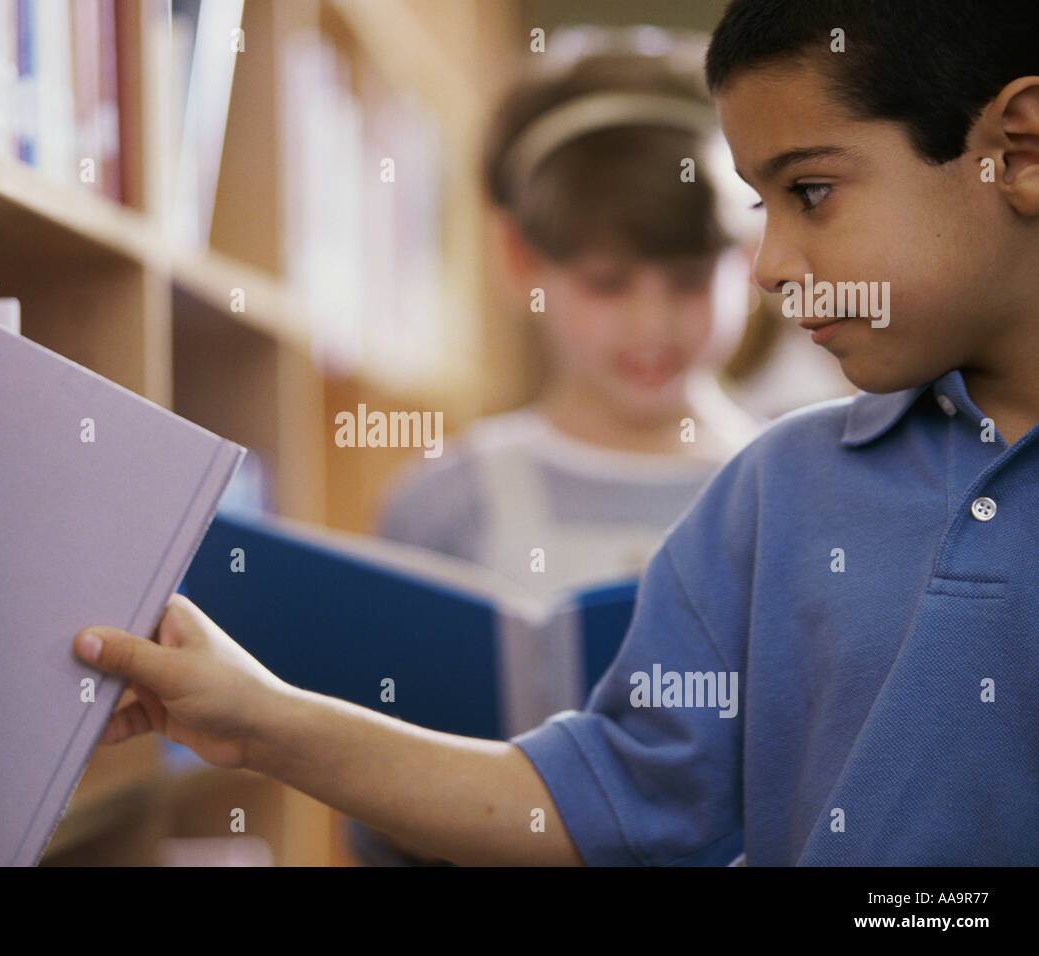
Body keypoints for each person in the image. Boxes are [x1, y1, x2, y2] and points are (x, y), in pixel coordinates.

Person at [73, 0, 1039, 865]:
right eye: (762, 207)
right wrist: (259, 721)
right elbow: (606, 800)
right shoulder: (779, 489)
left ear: (1020, 152)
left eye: (813, 193)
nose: (769, 266)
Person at [376, 31, 770, 599]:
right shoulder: (445, 505)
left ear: (748, 257)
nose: (652, 324)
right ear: (519, 259)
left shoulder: (801, 484)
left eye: (689, 280)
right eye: (606, 284)